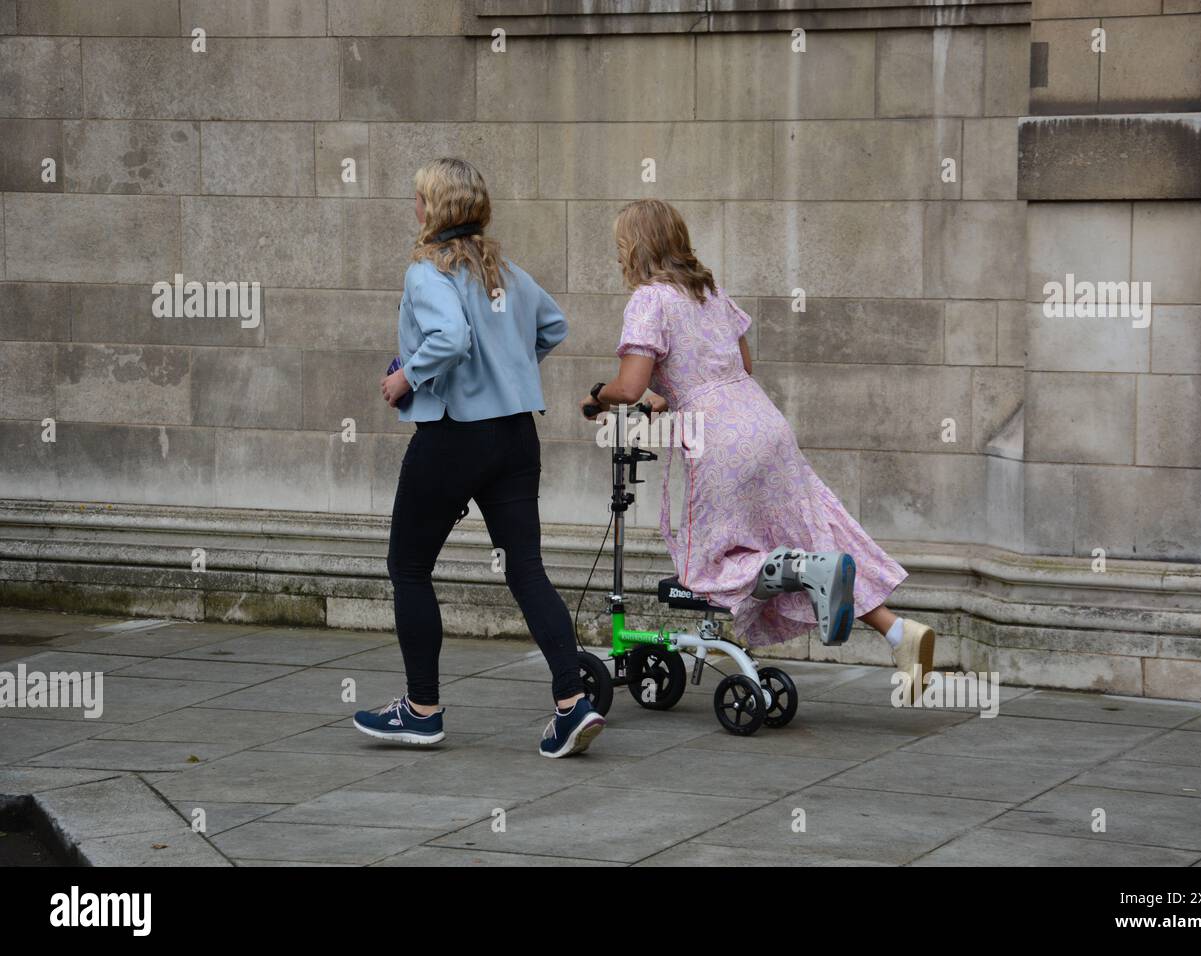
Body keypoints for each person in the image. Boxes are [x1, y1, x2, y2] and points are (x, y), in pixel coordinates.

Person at [581, 199, 934, 702]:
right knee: (815, 528)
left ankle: (802, 572)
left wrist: (597, 397)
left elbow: (630, 386)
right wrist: (672, 394)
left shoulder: (649, 299)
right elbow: (739, 365)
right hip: (763, 423)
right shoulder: (709, 291)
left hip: (718, 439)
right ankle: (899, 633)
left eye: (621, 244)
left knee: (706, 566)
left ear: (636, 247)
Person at [353, 157, 604, 756]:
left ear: (434, 209)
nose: (412, 208)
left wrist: (406, 379)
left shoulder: (426, 273)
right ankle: (573, 703)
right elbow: (554, 325)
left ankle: (421, 710)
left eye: (418, 199)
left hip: (454, 435)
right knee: (526, 569)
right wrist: (510, 373)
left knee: (408, 568)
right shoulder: (505, 272)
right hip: (516, 434)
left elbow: (451, 339)